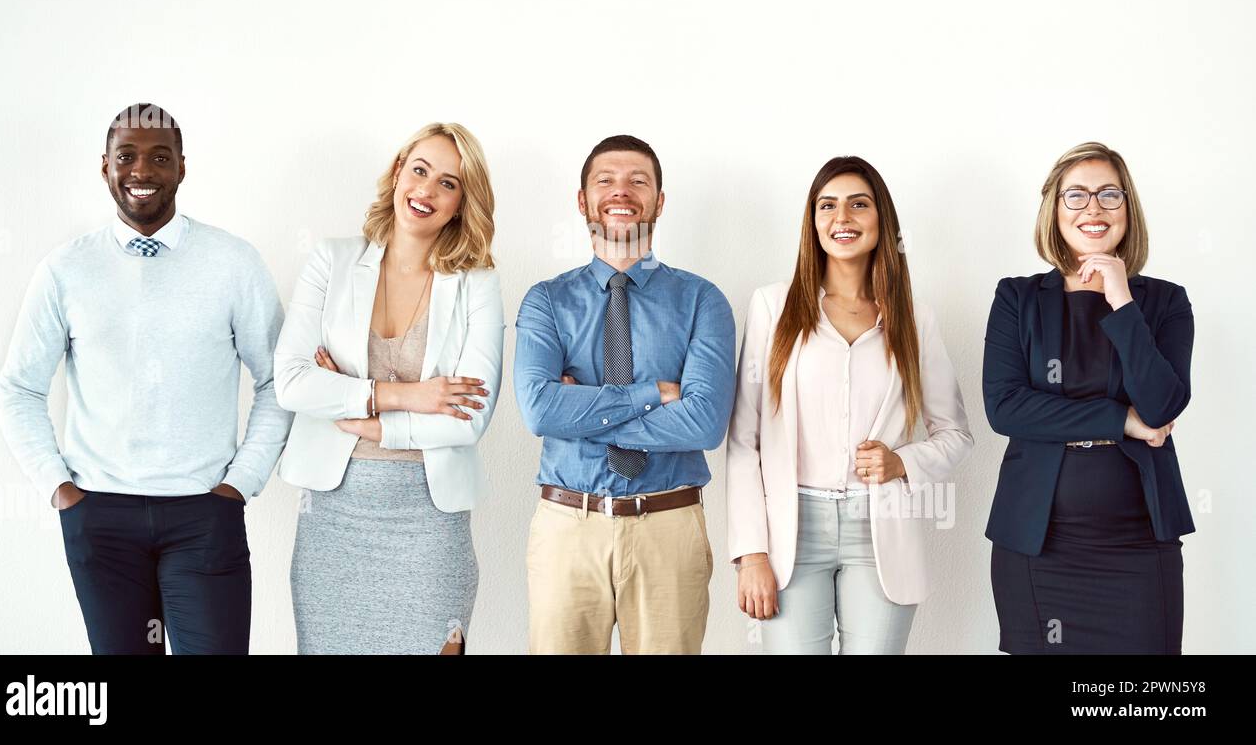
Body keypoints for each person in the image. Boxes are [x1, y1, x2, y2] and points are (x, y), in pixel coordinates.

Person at [0, 102, 292, 654]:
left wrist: (237, 486)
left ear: (182, 167)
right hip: (100, 518)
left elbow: (279, 382)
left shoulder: (233, 262)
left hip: (203, 514)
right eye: (126, 156)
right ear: (105, 167)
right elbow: (19, 388)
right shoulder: (66, 269)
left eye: (160, 156)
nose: (142, 171)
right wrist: (59, 490)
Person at [726, 155, 973, 654]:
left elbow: (956, 435)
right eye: (828, 206)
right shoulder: (773, 308)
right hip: (790, 535)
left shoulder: (914, 319)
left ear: (882, 220)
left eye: (858, 205)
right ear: (812, 222)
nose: (842, 218)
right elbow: (743, 440)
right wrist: (750, 553)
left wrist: (903, 460)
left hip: (879, 536)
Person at [274, 122, 502, 655]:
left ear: (462, 202)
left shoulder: (478, 282)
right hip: (333, 519)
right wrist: (404, 396)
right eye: (419, 170)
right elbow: (291, 382)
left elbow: (469, 416)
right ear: (398, 171)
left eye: (448, 183)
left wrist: (362, 415)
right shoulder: (331, 261)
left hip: (430, 521)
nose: (426, 190)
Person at [514, 134, 735, 654]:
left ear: (659, 201)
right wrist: (654, 394)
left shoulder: (702, 300)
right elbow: (540, 410)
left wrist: (583, 408)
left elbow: (703, 424)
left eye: (639, 180)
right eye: (606, 180)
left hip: (668, 525)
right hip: (569, 526)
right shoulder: (546, 300)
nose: (622, 191)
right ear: (582, 199)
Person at [984, 141, 1194, 654]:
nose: (1093, 209)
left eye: (1108, 195)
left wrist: (1121, 300)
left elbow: (1163, 405)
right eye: (1075, 196)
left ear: (1128, 209)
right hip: (1037, 546)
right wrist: (1119, 418)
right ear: (1053, 211)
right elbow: (1006, 407)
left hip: (1139, 546)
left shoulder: (1165, 301)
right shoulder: (1017, 298)